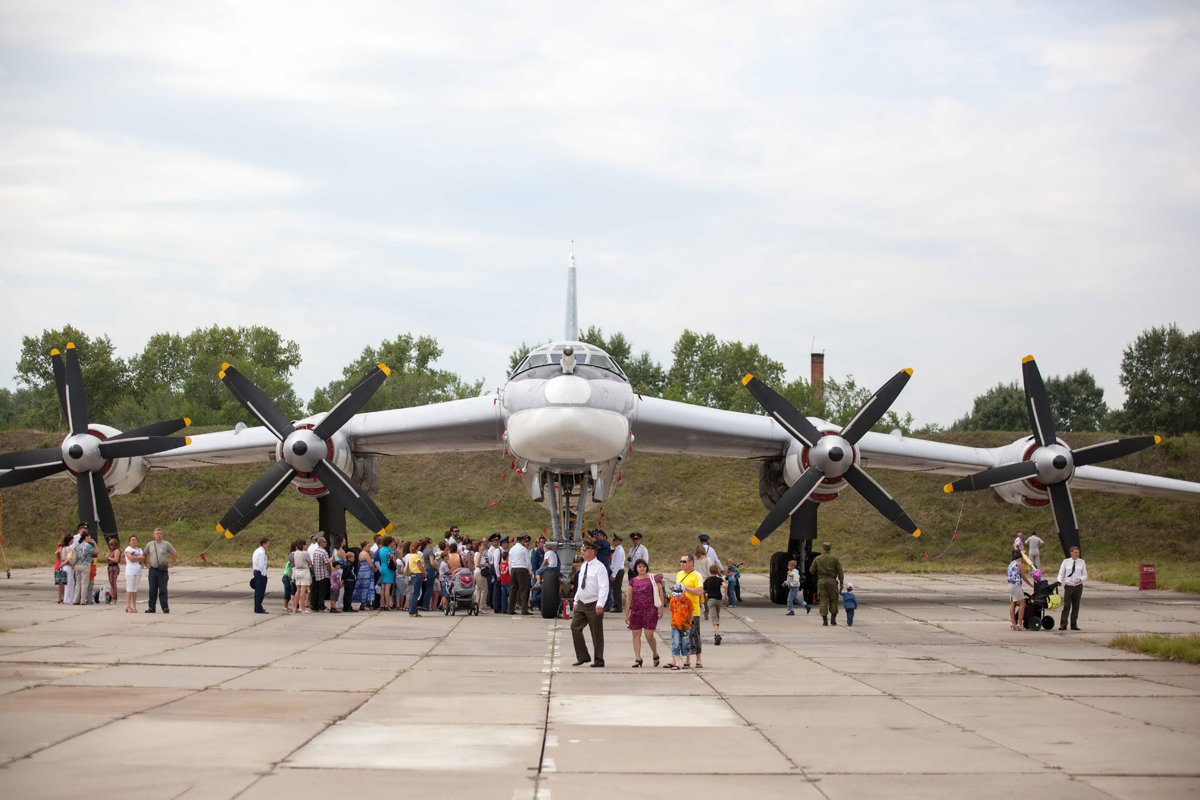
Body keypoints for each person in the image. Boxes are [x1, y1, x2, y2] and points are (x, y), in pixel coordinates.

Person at [571, 541, 608, 667]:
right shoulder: (583, 565)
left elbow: (604, 587)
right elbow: (580, 586)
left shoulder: (600, 567)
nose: (583, 552)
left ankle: (599, 660)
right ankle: (583, 656)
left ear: (592, 552)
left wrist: (600, 604)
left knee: (596, 633)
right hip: (582, 602)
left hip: (594, 603)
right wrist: (576, 601)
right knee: (575, 626)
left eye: (585, 550)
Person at [624, 558, 662, 667]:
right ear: (636, 568)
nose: (642, 568)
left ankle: (655, 654)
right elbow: (629, 598)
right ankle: (638, 658)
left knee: (649, 635)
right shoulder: (633, 581)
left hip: (650, 610)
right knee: (636, 634)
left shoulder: (653, 579)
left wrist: (661, 610)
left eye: (644, 566)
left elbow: (660, 594)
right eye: (639, 566)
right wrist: (627, 613)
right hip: (636, 610)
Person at [675, 553, 704, 668]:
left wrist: (684, 587)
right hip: (680, 610)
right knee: (683, 635)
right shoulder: (679, 574)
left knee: (694, 634)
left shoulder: (696, 575)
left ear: (691, 563)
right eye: (681, 561)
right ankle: (687, 658)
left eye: (684, 562)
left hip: (693, 610)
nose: (682, 564)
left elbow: (699, 591)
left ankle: (698, 658)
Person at [809, 542, 844, 626]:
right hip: (832, 581)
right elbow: (840, 571)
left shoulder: (818, 558)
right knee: (834, 599)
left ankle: (825, 620)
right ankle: (833, 620)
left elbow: (811, 570)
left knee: (823, 600)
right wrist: (841, 581)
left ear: (823, 549)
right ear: (830, 549)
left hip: (821, 580)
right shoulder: (834, 558)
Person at [144, 527, 177, 613]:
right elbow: (144, 553)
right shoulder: (150, 544)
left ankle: (165, 607)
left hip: (162, 570)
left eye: (160, 533)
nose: (159, 535)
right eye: (157, 533)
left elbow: (174, 553)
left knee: (163, 589)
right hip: (153, 569)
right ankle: (151, 607)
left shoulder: (166, 544)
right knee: (152, 589)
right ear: (154, 535)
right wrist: (146, 563)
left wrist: (172, 564)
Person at [1056, 546, 1087, 632]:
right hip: (1069, 585)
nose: (1077, 554)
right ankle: (1063, 624)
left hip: (1078, 586)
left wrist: (1081, 579)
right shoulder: (1066, 562)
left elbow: (1085, 574)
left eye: (1078, 552)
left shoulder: (1082, 562)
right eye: (1076, 552)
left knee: (1076, 605)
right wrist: (1059, 581)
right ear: (1071, 553)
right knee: (1067, 605)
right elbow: (1061, 573)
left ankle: (1074, 624)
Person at [667, 583, 692, 670]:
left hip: (685, 625)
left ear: (684, 592)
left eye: (679, 595)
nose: (678, 597)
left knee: (686, 643)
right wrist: (673, 620)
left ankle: (687, 660)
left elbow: (691, 611)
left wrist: (690, 622)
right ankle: (677, 663)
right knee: (676, 643)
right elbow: (672, 611)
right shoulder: (673, 600)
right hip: (675, 625)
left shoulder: (688, 601)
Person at [508, 535, 532, 615]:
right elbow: (527, 561)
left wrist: (510, 571)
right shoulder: (524, 549)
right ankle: (524, 609)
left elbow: (509, 562)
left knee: (513, 590)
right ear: (522, 540)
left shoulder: (511, 549)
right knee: (523, 590)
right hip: (522, 569)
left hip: (514, 569)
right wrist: (530, 572)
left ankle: (510, 609)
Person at [1007, 551, 1030, 630]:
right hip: (1016, 586)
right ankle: (1019, 624)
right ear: (1020, 557)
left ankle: (1013, 623)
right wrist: (1030, 584)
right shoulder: (1019, 564)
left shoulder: (1011, 564)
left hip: (1010, 585)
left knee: (1013, 603)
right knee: (1022, 604)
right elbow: (1023, 576)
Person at [73, 531, 96, 605]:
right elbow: (96, 552)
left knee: (78, 583)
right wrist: (94, 543)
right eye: (89, 536)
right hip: (85, 565)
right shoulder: (88, 545)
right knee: (84, 583)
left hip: (77, 564)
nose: (89, 538)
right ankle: (83, 600)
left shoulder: (77, 544)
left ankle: (76, 599)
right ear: (86, 537)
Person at [123, 534, 144, 613]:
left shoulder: (139, 550)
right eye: (132, 540)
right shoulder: (128, 549)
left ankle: (134, 605)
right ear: (129, 542)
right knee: (130, 588)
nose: (134, 541)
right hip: (130, 570)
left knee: (135, 589)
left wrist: (137, 558)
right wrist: (137, 558)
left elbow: (142, 558)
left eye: (135, 539)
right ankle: (128, 606)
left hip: (138, 570)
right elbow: (130, 558)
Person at [704, 564, 724, 646]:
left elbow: (703, 590)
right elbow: (725, 585)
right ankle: (716, 634)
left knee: (713, 618)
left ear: (709, 571)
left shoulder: (707, 580)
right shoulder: (719, 579)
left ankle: (717, 634)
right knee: (717, 616)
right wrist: (726, 595)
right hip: (719, 600)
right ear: (717, 571)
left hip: (711, 600)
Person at [353, 541, 376, 611]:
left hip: (361, 571)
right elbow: (370, 564)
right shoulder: (366, 554)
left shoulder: (360, 553)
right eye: (368, 546)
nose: (369, 547)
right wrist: (374, 569)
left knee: (362, 587)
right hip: (367, 572)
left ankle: (363, 604)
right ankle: (364, 604)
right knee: (366, 588)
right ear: (364, 547)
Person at [291, 540, 312, 613]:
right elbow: (310, 562)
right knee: (303, 590)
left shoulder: (296, 553)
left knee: (298, 590)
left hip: (297, 571)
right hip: (304, 571)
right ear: (303, 545)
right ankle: (302, 607)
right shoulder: (305, 553)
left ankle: (295, 607)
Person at [406, 542, 425, 617]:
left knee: (415, 592)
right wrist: (424, 572)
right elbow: (420, 567)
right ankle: (413, 611)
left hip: (413, 574)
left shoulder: (411, 556)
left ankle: (413, 610)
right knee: (416, 593)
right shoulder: (417, 556)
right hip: (417, 574)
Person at [250, 537, 269, 613]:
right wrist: (264, 573)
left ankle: (258, 607)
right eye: (267, 543)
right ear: (263, 544)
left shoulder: (257, 551)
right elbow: (261, 564)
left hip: (256, 571)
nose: (268, 545)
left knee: (258, 591)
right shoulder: (261, 552)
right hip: (260, 572)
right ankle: (258, 607)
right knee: (260, 591)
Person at [609, 535, 626, 614]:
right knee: (616, 590)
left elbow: (617, 564)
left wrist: (613, 575)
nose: (613, 542)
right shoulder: (618, 549)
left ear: (619, 541)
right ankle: (617, 605)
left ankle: (618, 607)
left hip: (618, 571)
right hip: (618, 571)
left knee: (617, 590)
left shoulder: (619, 550)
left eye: (615, 540)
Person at [377, 536, 395, 610]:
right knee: (388, 588)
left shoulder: (381, 550)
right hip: (389, 569)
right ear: (389, 543)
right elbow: (393, 559)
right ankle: (388, 604)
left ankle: (383, 604)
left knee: (383, 587)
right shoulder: (389, 550)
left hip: (383, 567)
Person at [341, 547, 359, 612]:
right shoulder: (350, 565)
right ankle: (348, 607)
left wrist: (343, 579)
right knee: (349, 594)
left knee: (346, 594)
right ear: (349, 557)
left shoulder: (346, 564)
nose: (354, 558)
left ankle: (346, 606)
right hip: (349, 581)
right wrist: (352, 576)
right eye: (353, 557)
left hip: (347, 581)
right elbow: (347, 573)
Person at [105, 538, 121, 604]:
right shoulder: (112, 551)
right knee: (111, 583)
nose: (110, 546)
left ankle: (114, 598)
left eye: (111, 545)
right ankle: (112, 596)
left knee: (113, 583)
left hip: (114, 567)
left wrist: (108, 557)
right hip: (110, 567)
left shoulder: (117, 551)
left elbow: (116, 560)